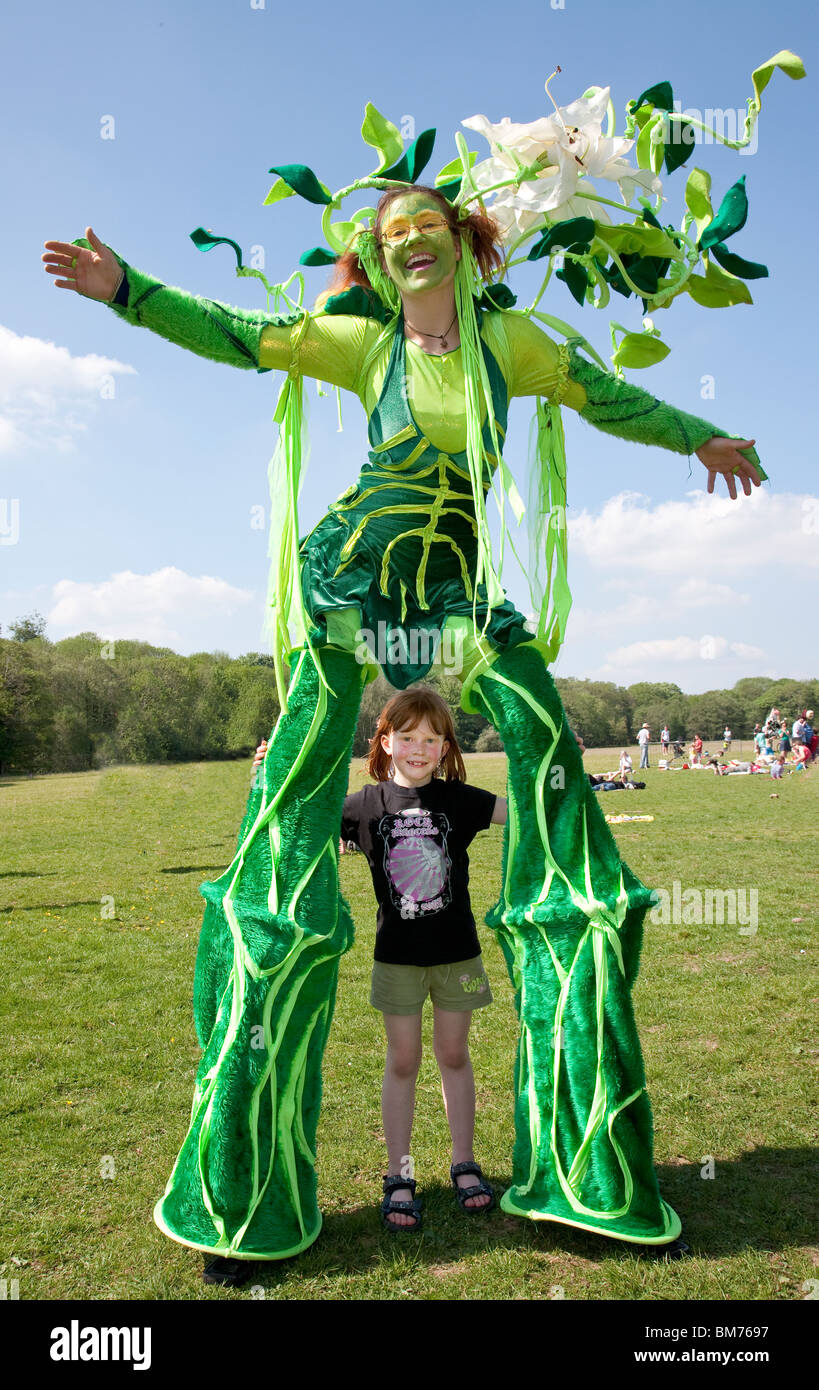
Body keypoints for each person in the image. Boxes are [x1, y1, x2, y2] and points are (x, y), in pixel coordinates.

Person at [43, 184, 760, 1271]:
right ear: (377, 264)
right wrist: (126, 291)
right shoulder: (362, 343)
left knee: (557, 773)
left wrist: (702, 432)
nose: (408, 243)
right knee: (283, 831)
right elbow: (244, 336)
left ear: (467, 244)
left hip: (459, 600)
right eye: (387, 239)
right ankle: (244, 1197)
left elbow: (612, 398)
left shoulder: (508, 343)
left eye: (425, 225)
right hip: (351, 586)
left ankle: (583, 1166)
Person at [254, 687, 504, 1231]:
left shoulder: (460, 801)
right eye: (408, 736)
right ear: (386, 741)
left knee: (454, 1056)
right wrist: (267, 777)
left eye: (431, 738)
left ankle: (464, 1163)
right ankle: (400, 1173)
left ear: (444, 747)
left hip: (458, 954)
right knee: (404, 1060)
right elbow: (294, 824)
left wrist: (554, 774)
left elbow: (524, 815)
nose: (419, 747)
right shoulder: (364, 805)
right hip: (396, 958)